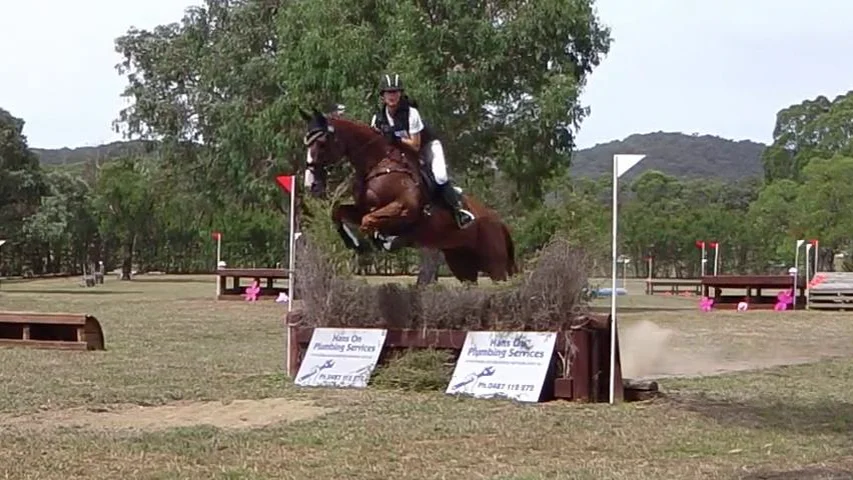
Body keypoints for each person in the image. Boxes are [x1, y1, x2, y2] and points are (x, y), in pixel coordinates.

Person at [369, 73, 475, 229]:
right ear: (382, 96)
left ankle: (458, 210)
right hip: (402, 155)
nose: (392, 96)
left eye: (395, 92)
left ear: (401, 94)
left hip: (427, 147)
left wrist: (395, 139)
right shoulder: (377, 119)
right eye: (388, 92)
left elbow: (415, 145)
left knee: (439, 176)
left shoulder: (411, 113)